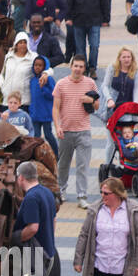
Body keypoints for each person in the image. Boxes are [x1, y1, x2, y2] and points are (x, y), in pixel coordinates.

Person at [54, 56, 98, 207]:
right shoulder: (61, 84)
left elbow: (97, 105)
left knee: (82, 165)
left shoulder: (90, 83)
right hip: (65, 131)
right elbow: (55, 107)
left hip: (84, 130)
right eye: (76, 66)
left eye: (81, 66)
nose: (78, 69)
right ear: (71, 66)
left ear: (84, 69)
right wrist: (57, 126)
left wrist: (91, 101)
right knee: (63, 164)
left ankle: (82, 196)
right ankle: (61, 190)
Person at [14, 159, 61, 276]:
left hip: (36, 258)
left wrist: (16, 238)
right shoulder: (47, 192)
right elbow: (53, 219)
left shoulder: (31, 198)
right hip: (48, 252)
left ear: (21, 178)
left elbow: (33, 228)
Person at [64, 0, 111, 75]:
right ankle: (83, 69)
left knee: (94, 46)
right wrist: (68, 18)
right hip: (78, 22)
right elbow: (69, 3)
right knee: (80, 48)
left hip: (94, 22)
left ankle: (92, 68)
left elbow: (105, 3)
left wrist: (106, 19)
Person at [28, 56, 61, 152]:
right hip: (35, 113)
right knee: (36, 136)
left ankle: (56, 153)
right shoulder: (33, 80)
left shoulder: (49, 79)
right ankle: (36, 154)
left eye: (40, 65)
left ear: (44, 67)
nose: (37, 67)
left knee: (48, 134)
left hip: (46, 113)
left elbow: (53, 95)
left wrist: (43, 88)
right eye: (35, 65)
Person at [0, 33, 37, 114]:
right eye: (20, 42)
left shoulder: (33, 57)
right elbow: (0, 73)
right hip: (7, 100)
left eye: (25, 42)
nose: (23, 45)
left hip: (23, 101)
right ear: (16, 44)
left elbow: (47, 68)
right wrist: (2, 85)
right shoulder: (8, 57)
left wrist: (45, 74)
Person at [100, 46, 138, 110]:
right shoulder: (112, 68)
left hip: (128, 105)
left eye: (128, 57)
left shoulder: (136, 70)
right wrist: (109, 99)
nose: (126, 59)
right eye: (124, 57)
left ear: (132, 58)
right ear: (119, 58)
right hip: (113, 104)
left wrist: (136, 103)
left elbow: (137, 88)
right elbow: (104, 85)